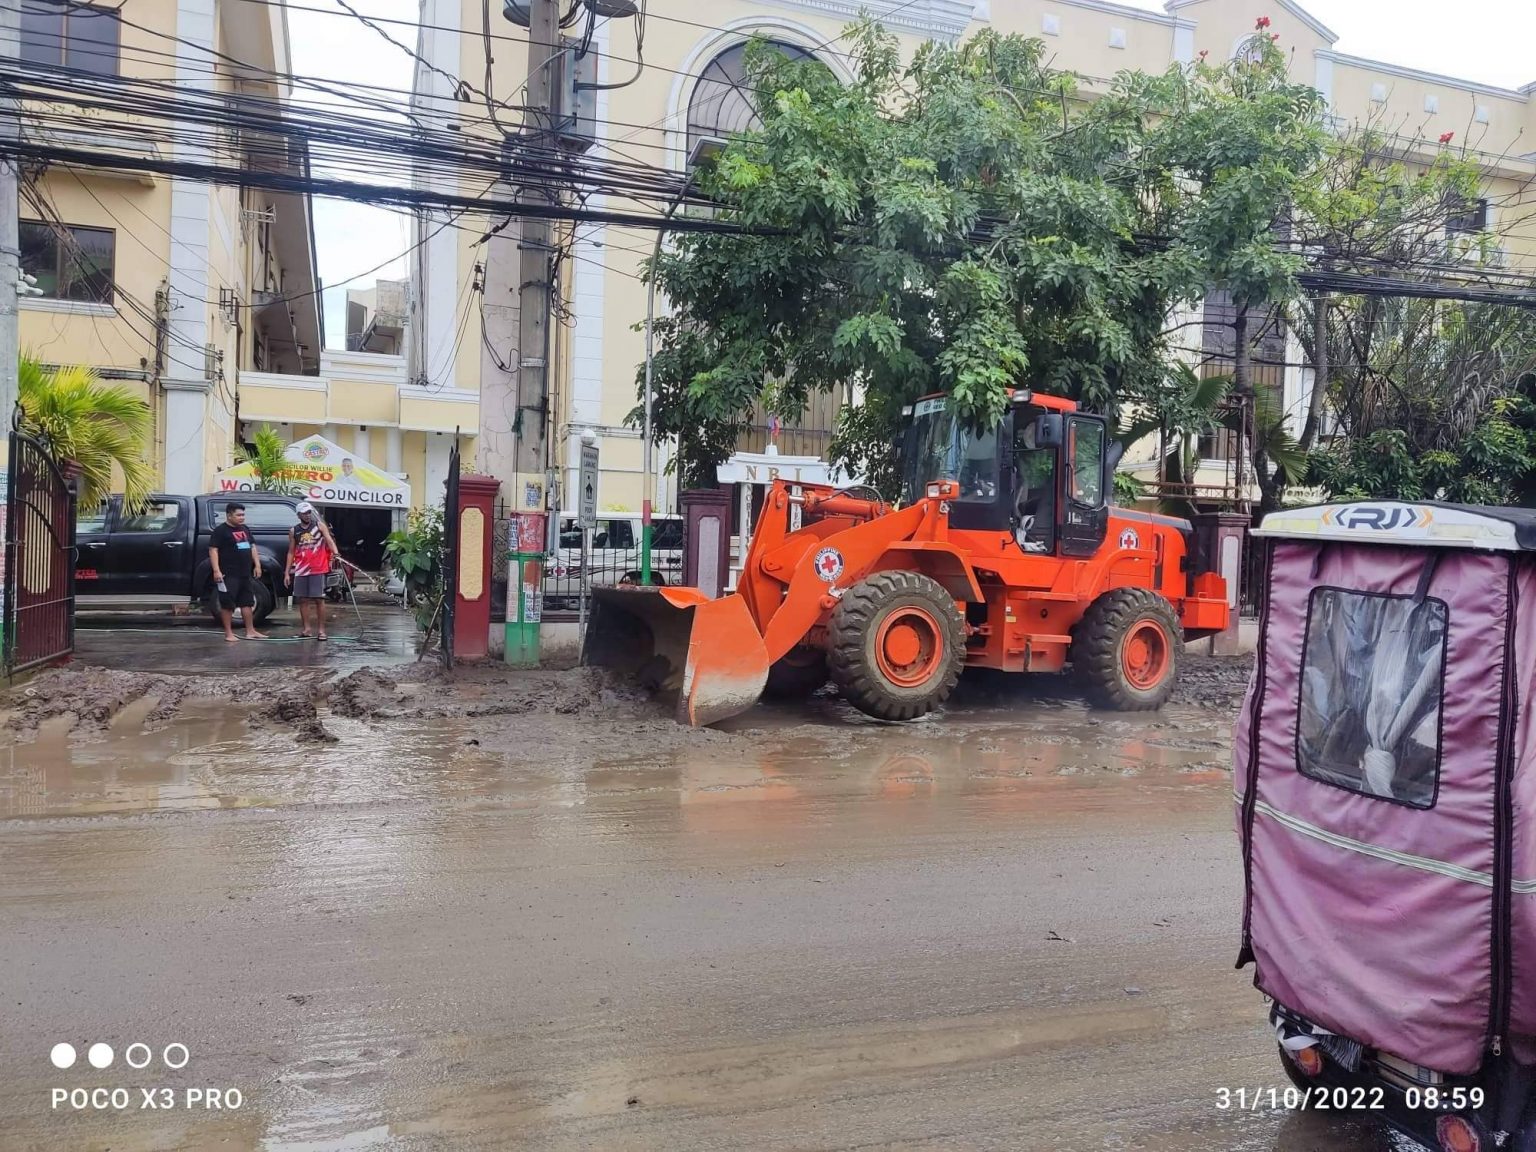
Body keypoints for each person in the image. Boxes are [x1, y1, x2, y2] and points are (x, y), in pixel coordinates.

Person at [209, 502, 266, 642]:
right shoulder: (221, 531)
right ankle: (229, 633)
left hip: (245, 573)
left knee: (247, 602)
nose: (242, 517)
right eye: (238, 515)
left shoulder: (244, 529)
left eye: (243, 515)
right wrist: (216, 570)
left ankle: (250, 631)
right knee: (227, 603)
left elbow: (252, 546)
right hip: (229, 573)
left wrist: (257, 564)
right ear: (229, 515)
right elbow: (213, 550)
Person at [286, 501, 338, 641]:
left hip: (317, 568)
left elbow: (329, 540)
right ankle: (307, 629)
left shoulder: (319, 526)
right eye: (304, 513)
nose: (308, 515)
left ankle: (321, 631)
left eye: (309, 512)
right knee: (302, 600)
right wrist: (287, 572)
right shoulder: (294, 531)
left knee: (319, 599)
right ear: (298, 515)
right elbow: (291, 552)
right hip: (301, 569)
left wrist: (335, 553)